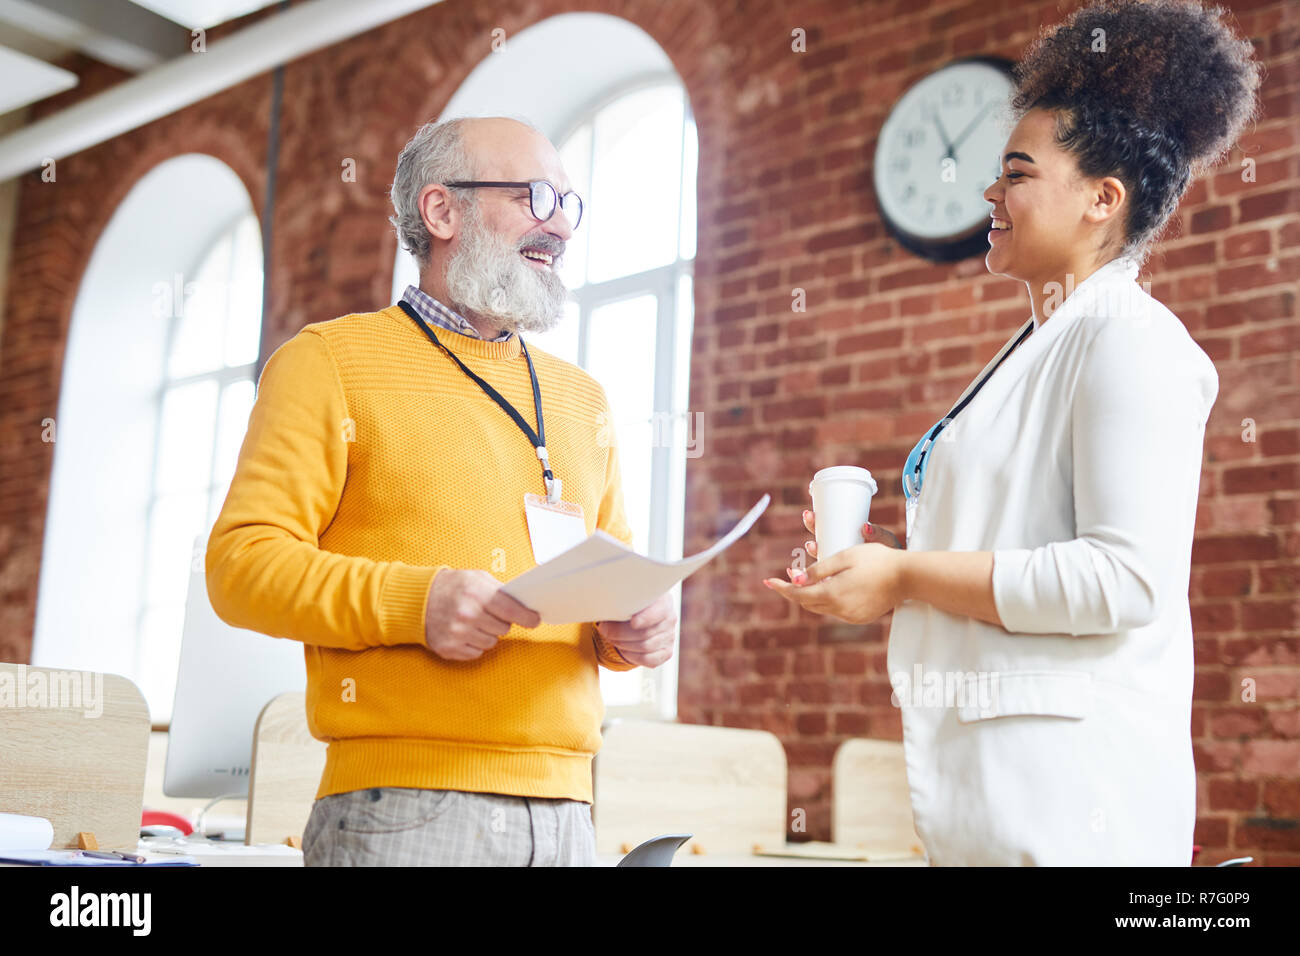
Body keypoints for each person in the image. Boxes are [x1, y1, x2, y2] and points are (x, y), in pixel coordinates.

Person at [764, 0, 1260, 865]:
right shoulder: (1039, 343)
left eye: (1018, 173)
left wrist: (908, 575)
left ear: (1103, 200)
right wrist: (880, 558)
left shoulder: (1129, 340)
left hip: (1074, 808)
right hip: (998, 800)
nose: (990, 192)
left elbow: (1121, 579)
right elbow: (1011, 538)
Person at [206, 116, 677, 866]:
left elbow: (602, 588)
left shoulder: (583, 398)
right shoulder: (329, 361)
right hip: (404, 814)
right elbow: (241, 567)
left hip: (570, 814)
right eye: (534, 195)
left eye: (566, 203)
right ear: (441, 211)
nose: (557, 223)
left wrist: (634, 633)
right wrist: (415, 604)